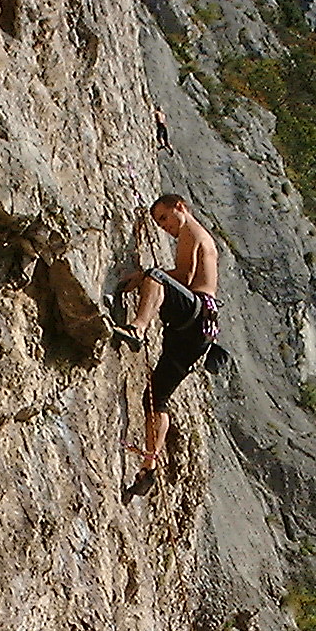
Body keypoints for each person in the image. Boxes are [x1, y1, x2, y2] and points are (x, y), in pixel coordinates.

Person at [108, 194, 222, 496]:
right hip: (201, 331)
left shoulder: (192, 233)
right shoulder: (197, 236)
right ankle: (149, 465)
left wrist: (142, 276)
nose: (164, 226)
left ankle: (138, 328)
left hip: (196, 311)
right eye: (159, 222)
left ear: (180, 207)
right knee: (155, 399)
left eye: (165, 217)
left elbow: (183, 276)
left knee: (155, 276)